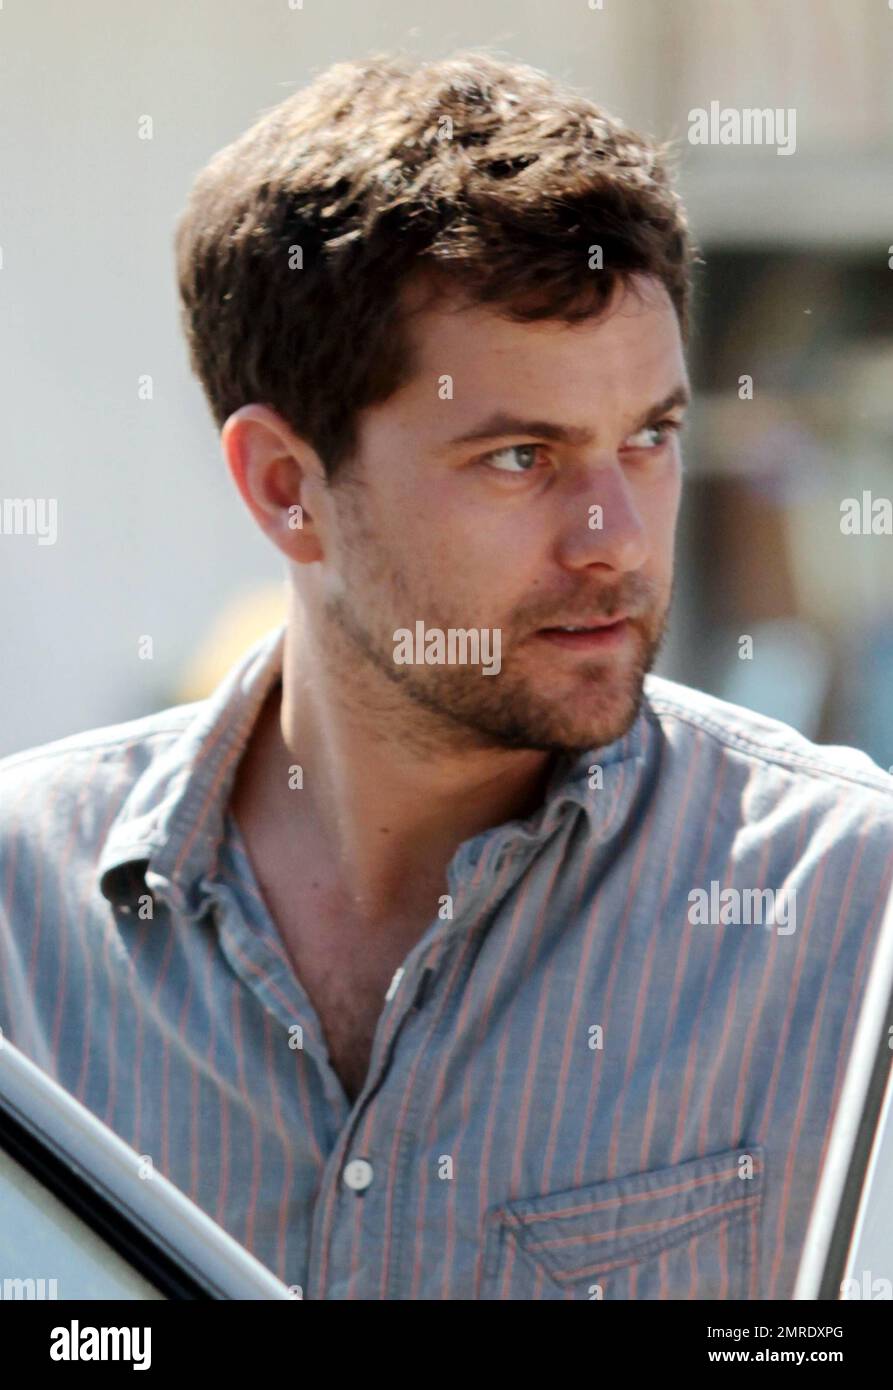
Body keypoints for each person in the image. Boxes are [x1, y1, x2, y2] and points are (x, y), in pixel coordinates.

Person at [1, 51, 891, 1301]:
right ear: (284, 488)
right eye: (522, 456)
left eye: (649, 437)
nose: (617, 538)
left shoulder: (853, 909)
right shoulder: (19, 924)